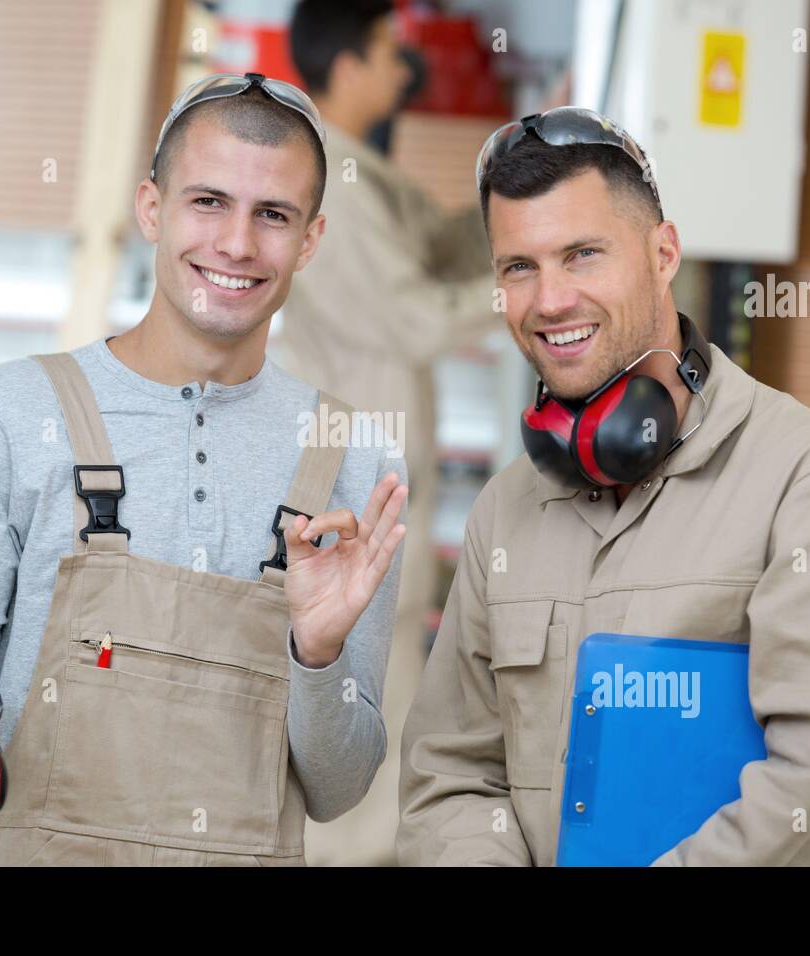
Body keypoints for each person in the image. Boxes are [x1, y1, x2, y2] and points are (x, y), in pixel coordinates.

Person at [397, 107, 810, 865]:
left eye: (582, 255)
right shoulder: (505, 512)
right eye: (518, 267)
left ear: (663, 253)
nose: (550, 299)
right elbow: (451, 776)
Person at [0, 72, 409, 866]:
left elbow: (339, 790)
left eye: (272, 214)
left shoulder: (355, 457)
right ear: (151, 208)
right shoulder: (10, 413)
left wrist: (319, 656)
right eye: (208, 201)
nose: (236, 244)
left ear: (310, 239)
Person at [276, 0, 502, 866]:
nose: (400, 66)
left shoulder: (360, 169)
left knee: (388, 659)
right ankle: (346, 854)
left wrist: (518, 199)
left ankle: (365, 847)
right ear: (346, 62)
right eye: (385, 49)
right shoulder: (328, 178)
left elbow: (438, 245)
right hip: (350, 475)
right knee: (363, 676)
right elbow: (416, 317)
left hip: (374, 473)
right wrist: (528, 283)